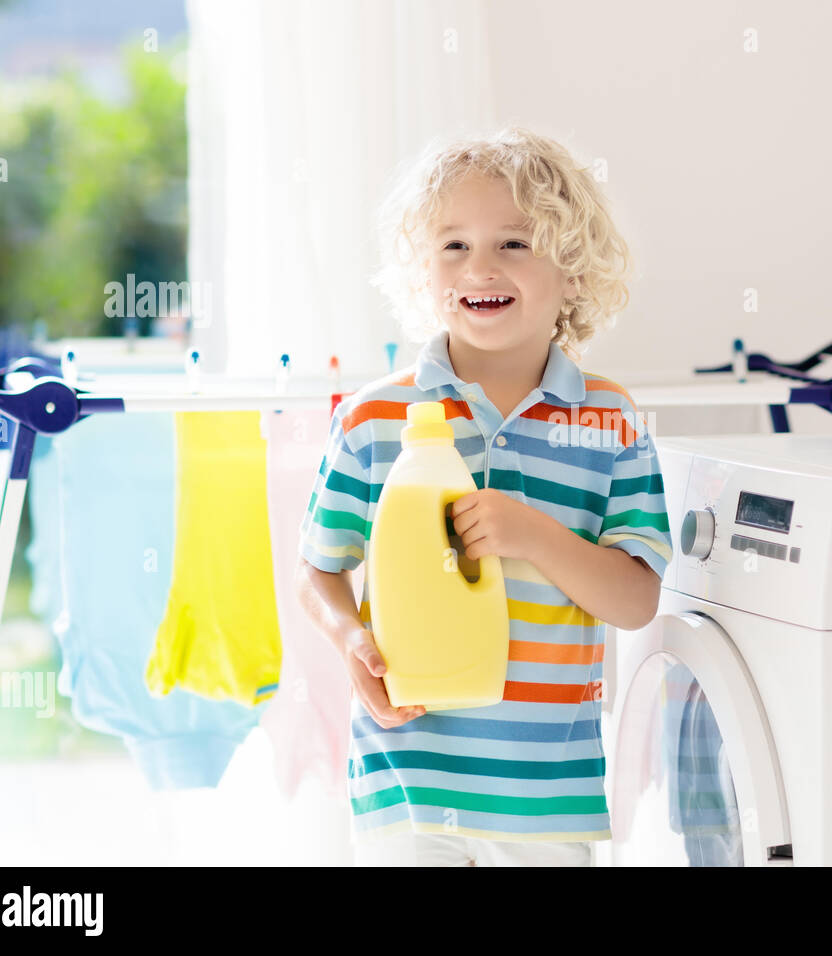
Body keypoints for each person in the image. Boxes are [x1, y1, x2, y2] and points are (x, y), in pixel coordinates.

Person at [297, 127, 673, 866]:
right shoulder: (374, 419)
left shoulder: (608, 420)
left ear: (572, 269)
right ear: (421, 272)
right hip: (405, 774)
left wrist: (531, 534)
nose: (480, 266)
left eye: (513, 243)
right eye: (453, 246)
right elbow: (318, 568)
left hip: (542, 794)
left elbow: (635, 601)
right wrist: (350, 641)